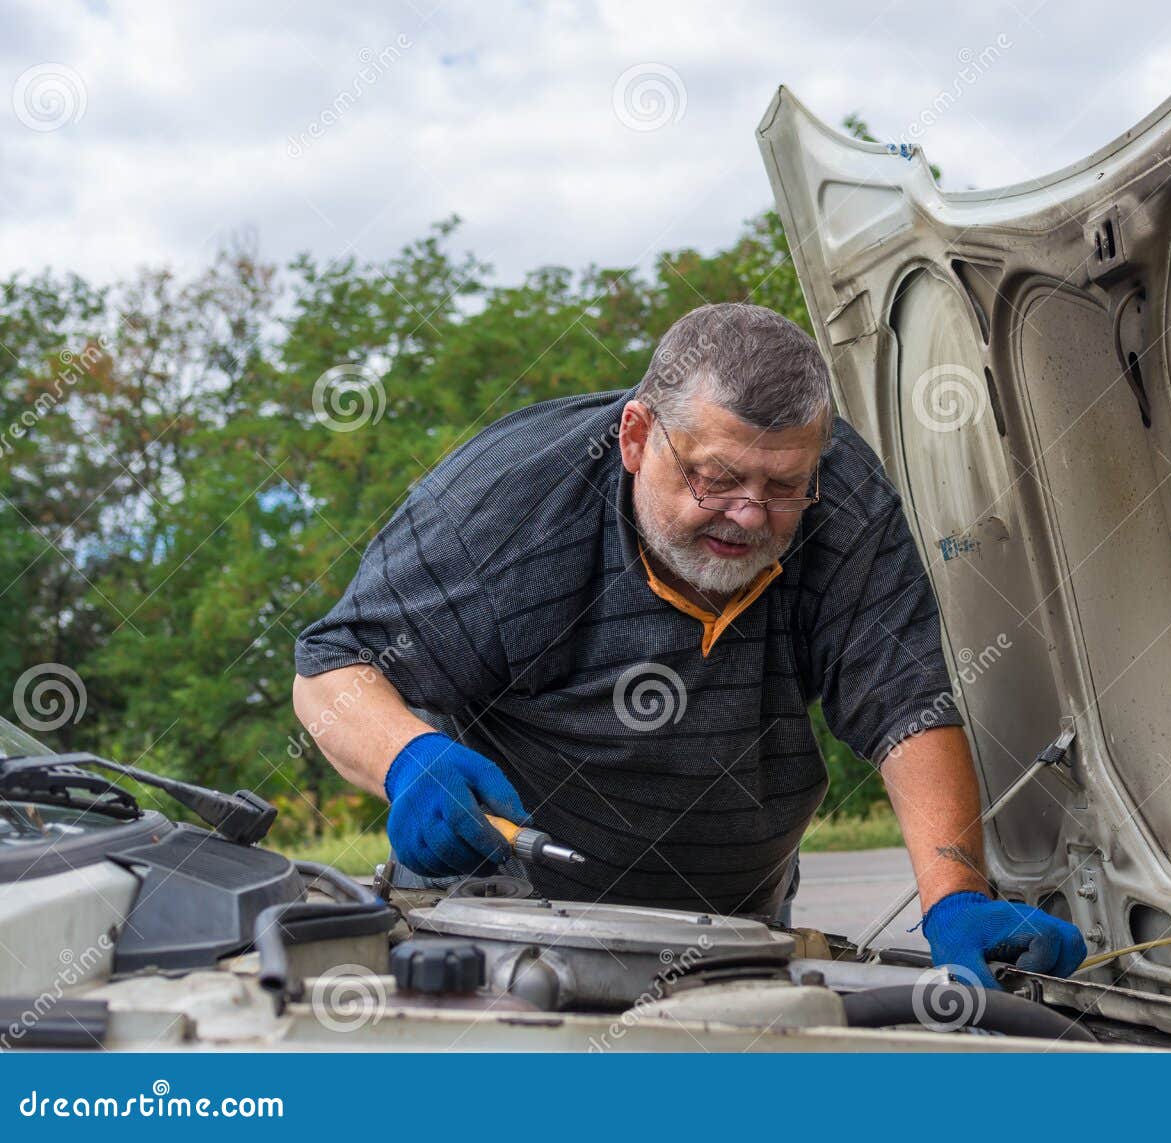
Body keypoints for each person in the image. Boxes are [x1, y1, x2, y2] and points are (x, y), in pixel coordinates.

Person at [292, 301, 1083, 988]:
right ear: (637, 436)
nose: (751, 515)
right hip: (501, 925)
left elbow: (905, 706)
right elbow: (331, 667)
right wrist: (409, 760)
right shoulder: (505, 505)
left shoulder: (842, 496)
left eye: (784, 486)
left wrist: (955, 895)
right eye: (718, 478)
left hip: (732, 929)